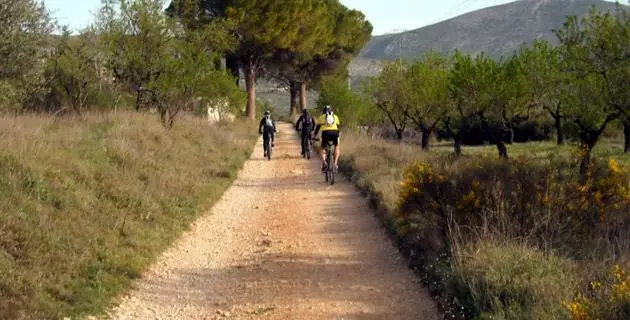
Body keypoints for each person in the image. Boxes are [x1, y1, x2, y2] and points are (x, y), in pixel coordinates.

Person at [313, 105, 340, 171]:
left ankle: (324, 162)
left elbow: (317, 128)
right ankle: (335, 163)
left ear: (324, 111)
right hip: (335, 133)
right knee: (337, 146)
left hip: (326, 133)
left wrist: (314, 136)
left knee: (322, 148)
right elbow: (338, 127)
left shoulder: (321, 117)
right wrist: (338, 136)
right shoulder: (336, 117)